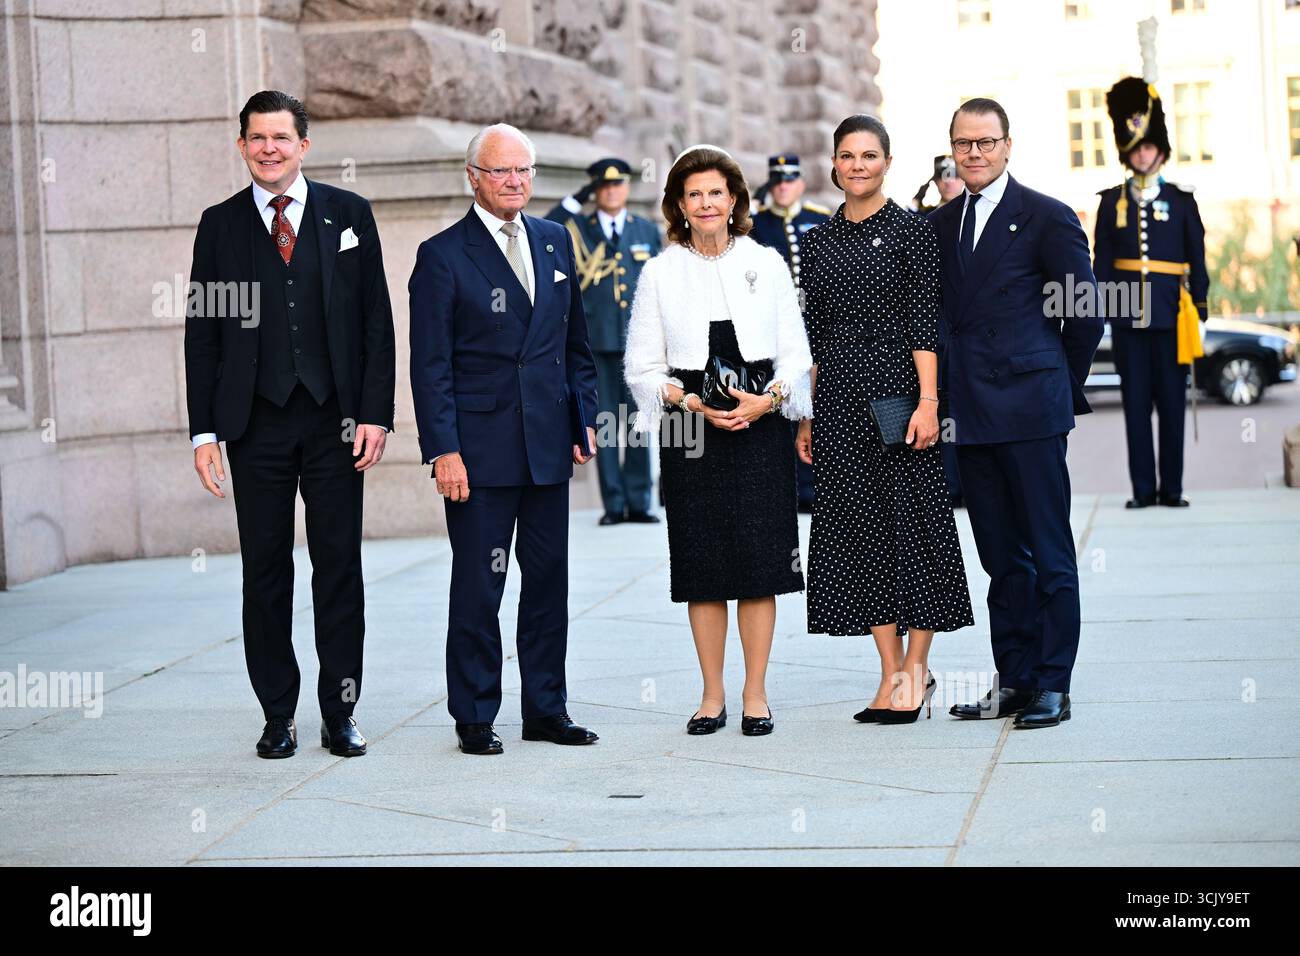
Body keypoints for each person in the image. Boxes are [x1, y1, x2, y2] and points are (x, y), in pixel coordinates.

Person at [184, 90, 395, 759]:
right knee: (264, 573)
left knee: (339, 567)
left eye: (281, 137)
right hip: (255, 427)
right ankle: (278, 714)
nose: (268, 148)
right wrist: (204, 431)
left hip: (336, 423)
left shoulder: (348, 214)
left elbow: (376, 325)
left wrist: (375, 414)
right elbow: (203, 337)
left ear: (304, 145)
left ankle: (341, 712)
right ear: (241, 145)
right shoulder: (218, 226)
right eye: (256, 138)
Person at [408, 123, 601, 756]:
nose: (515, 181)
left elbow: (576, 345)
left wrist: (583, 419)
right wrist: (444, 450)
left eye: (523, 170)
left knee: (548, 584)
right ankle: (474, 715)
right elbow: (429, 365)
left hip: (547, 446)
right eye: (500, 172)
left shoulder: (552, 241)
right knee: (478, 587)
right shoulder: (441, 255)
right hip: (479, 455)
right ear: (474, 177)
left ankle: (547, 709)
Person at [624, 144, 813, 737]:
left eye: (716, 192)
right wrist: (691, 403)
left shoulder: (768, 262)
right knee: (702, 564)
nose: (706, 203)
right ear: (679, 205)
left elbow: (796, 353)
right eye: (693, 194)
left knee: (761, 564)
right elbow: (641, 368)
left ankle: (756, 694)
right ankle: (712, 695)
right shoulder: (660, 272)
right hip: (689, 427)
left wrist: (772, 399)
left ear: (734, 200)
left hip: (761, 422)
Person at [929, 98, 1103, 729]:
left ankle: (1054, 683)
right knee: (1001, 559)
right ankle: (1015, 677)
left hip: (1030, 410)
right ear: (953, 148)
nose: (974, 153)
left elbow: (1083, 314)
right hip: (970, 413)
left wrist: (1055, 384)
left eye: (985, 142)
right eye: (963, 143)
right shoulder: (942, 224)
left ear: (1007, 145)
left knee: (1050, 553)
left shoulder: (1047, 217)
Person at [796, 115, 974, 726]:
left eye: (869, 155)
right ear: (835, 164)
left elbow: (926, 324)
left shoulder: (912, 232)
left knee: (916, 528)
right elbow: (813, 337)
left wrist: (929, 403)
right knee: (859, 533)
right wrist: (807, 417)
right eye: (847, 155)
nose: (857, 165)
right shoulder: (817, 241)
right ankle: (889, 670)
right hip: (840, 402)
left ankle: (918, 671)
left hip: (899, 397)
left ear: (887, 163)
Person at [1093, 77, 1209, 510]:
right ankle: (1143, 490)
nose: (1143, 153)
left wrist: (1200, 301)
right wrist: (1095, 309)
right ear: (1129, 151)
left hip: (1170, 316)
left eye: (1149, 147)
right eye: (1136, 148)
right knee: (1136, 408)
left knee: (1173, 408)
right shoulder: (1112, 201)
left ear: (1160, 149)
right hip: (1128, 321)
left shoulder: (1181, 201)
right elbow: (1101, 261)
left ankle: (1172, 489)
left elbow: (1196, 254)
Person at [545, 158, 663, 525]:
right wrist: (575, 199)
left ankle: (640, 500)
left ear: (627, 188)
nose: (612, 191)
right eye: (603, 186)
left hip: (638, 342)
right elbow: (547, 224)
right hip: (596, 341)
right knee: (606, 421)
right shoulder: (578, 226)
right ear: (595, 191)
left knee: (639, 421)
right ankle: (613, 503)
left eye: (618, 185)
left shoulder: (645, 229)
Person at [749, 154, 831, 513]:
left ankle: (814, 483)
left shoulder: (818, 219)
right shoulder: (757, 224)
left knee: (813, 403)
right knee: (780, 401)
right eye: (777, 180)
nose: (784, 186)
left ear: (800, 183)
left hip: (814, 324)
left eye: (790, 180)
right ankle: (788, 484)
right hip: (774, 327)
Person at [906, 155, 966, 506]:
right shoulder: (926, 219)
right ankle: (947, 484)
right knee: (939, 405)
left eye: (952, 176)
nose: (948, 183)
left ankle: (964, 483)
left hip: (965, 323)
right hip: (937, 323)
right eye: (942, 177)